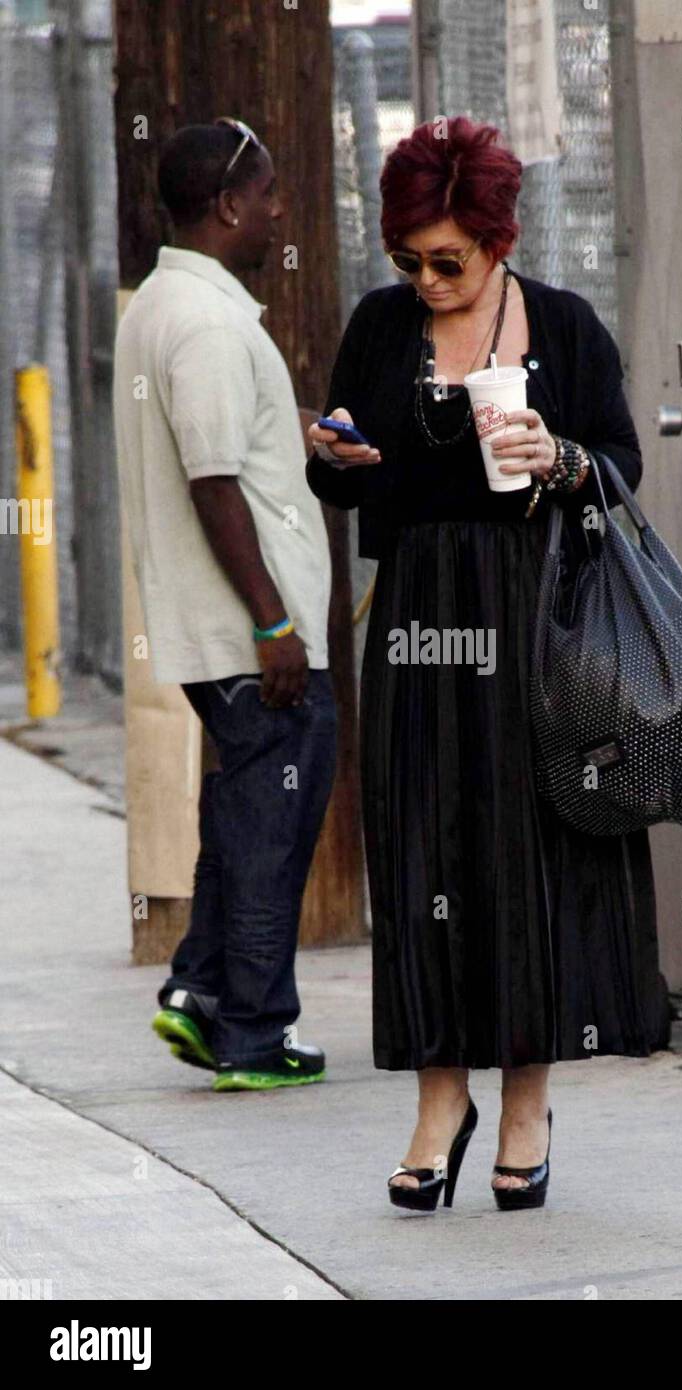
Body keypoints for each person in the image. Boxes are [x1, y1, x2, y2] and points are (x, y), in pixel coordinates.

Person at [307, 117, 671, 1212]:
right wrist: (334, 458)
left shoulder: (562, 326)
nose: (427, 279)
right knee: (423, 850)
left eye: (449, 261)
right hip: (420, 627)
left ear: (500, 240)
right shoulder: (380, 328)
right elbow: (350, 481)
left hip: (540, 627)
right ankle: (437, 1099)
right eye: (409, 259)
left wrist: (558, 458)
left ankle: (524, 1104)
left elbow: (619, 461)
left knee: (529, 856)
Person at [113, 120, 336, 1092]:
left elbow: (223, 442)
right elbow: (212, 480)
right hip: (253, 634)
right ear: (228, 206)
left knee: (246, 810)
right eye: (271, 192)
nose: (280, 211)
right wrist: (274, 621)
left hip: (226, 631)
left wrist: (302, 437)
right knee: (271, 826)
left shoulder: (168, 305)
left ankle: (201, 992)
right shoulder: (204, 322)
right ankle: (252, 1032)